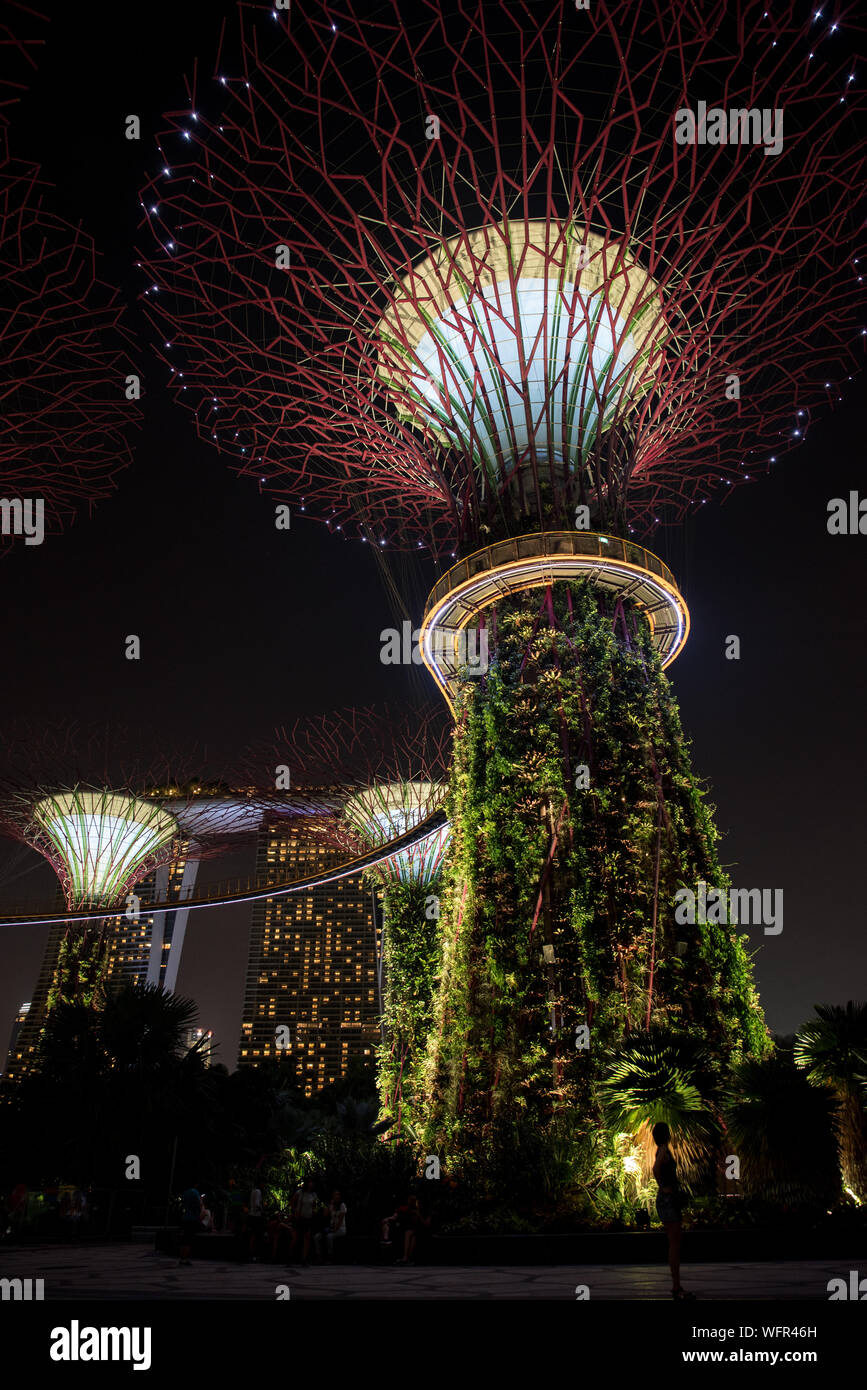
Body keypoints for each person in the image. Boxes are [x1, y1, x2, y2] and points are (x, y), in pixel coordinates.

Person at [652, 1122, 694, 1300]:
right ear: (666, 1134)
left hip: (668, 1198)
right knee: (674, 1243)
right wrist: (663, 1187)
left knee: (674, 1241)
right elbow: (655, 1168)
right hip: (668, 1199)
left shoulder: (662, 1148)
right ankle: (676, 1286)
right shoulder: (663, 1149)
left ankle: (677, 1285)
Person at [290, 1178, 319, 1266]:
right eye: (310, 1182)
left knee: (307, 1238)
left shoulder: (313, 1195)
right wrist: (295, 1211)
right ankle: (290, 1257)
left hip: (308, 1218)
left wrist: (314, 1212)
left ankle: (304, 1259)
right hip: (299, 1218)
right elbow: (292, 1202)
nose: (311, 1184)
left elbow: (314, 1206)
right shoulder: (300, 1193)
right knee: (295, 1238)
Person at [314, 1190, 347, 1263]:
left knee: (329, 1237)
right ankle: (319, 1256)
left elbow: (340, 1220)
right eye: (335, 1195)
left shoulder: (342, 1205)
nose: (336, 1196)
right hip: (331, 1228)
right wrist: (329, 1205)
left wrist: (334, 1230)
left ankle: (330, 1256)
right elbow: (325, 1215)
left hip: (340, 1229)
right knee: (317, 1237)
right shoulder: (331, 1205)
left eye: (338, 1195)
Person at [179, 1184, 202, 1266]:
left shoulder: (185, 1193)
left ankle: (182, 1258)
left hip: (185, 1217)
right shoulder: (195, 1192)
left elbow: (182, 1203)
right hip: (192, 1218)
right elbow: (199, 1204)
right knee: (189, 1239)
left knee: (184, 1239)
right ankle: (185, 1258)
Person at [248, 1183, 264, 1261]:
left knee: (253, 1235)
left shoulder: (253, 1191)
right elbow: (257, 1204)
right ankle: (254, 1254)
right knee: (256, 1236)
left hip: (251, 1215)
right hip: (256, 1216)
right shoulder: (258, 1192)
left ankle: (251, 1254)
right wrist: (262, 1209)